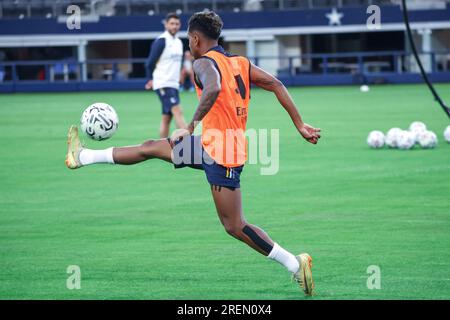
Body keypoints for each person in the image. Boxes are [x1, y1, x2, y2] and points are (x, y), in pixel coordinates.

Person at [66, 11, 321, 296]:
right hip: (211, 145)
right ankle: (83, 156)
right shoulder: (240, 62)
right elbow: (275, 83)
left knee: (234, 226)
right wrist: (299, 124)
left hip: (222, 154)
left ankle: (295, 264)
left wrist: (188, 126)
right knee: (151, 147)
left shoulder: (203, 63)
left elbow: (212, 87)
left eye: (189, 39)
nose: (189, 44)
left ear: (196, 39)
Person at [145, 12, 187, 138]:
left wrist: (179, 75)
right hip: (163, 83)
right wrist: (149, 79)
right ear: (166, 25)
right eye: (172, 23)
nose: (174, 26)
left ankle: (161, 147)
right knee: (178, 112)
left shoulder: (179, 42)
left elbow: (178, 63)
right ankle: (190, 145)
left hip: (173, 84)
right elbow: (150, 63)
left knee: (166, 118)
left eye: (177, 24)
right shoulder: (161, 41)